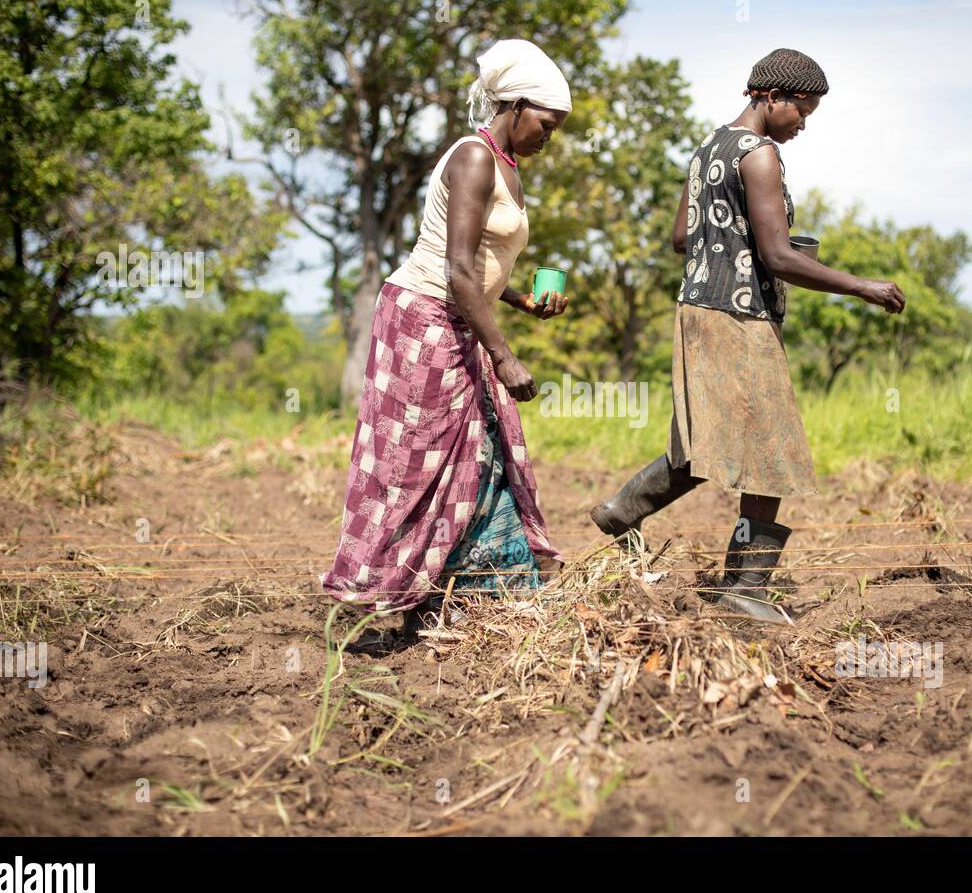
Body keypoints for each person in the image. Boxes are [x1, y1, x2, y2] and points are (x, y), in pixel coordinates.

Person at [590, 48, 906, 622]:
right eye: (802, 111)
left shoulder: (708, 148)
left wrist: (730, 237)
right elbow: (781, 257)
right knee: (770, 450)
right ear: (771, 96)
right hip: (740, 316)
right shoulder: (760, 157)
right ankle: (744, 589)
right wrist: (863, 286)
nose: (803, 124)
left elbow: (681, 238)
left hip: (697, 310)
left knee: (705, 439)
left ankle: (621, 510)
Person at [323, 39, 571, 627]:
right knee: (419, 462)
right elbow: (455, 268)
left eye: (557, 129)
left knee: (480, 451)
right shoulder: (474, 157)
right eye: (545, 123)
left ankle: (475, 592)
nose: (548, 137)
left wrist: (520, 300)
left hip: (456, 315)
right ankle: (394, 588)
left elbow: (478, 264)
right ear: (512, 105)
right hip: (423, 321)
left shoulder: (506, 164)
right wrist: (505, 357)